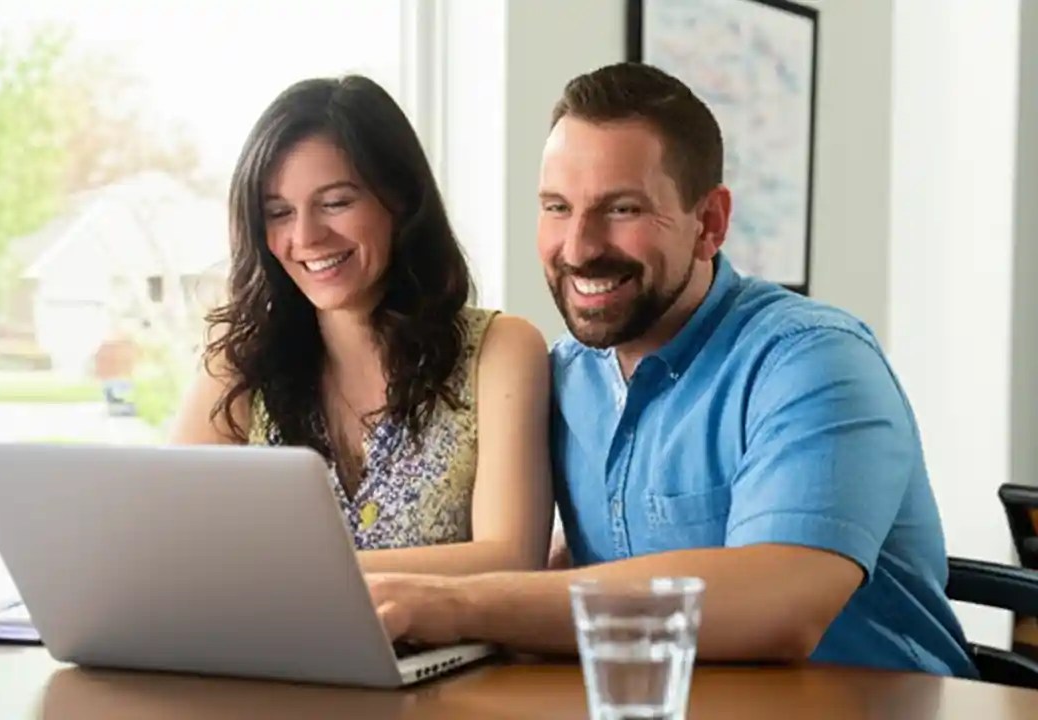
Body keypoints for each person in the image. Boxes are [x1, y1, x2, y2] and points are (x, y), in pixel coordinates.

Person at [367, 62, 977, 677]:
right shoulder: (570, 376)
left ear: (709, 223)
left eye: (623, 209)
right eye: (557, 207)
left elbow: (781, 604)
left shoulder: (813, 360)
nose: (577, 247)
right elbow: (594, 571)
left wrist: (455, 604)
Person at [172, 75, 553, 576]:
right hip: (276, 655)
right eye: (279, 213)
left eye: (336, 203)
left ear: (400, 200)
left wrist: (291, 576)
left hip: (451, 655)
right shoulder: (239, 362)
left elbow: (510, 560)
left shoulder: (501, 351)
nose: (305, 236)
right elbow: (174, 551)